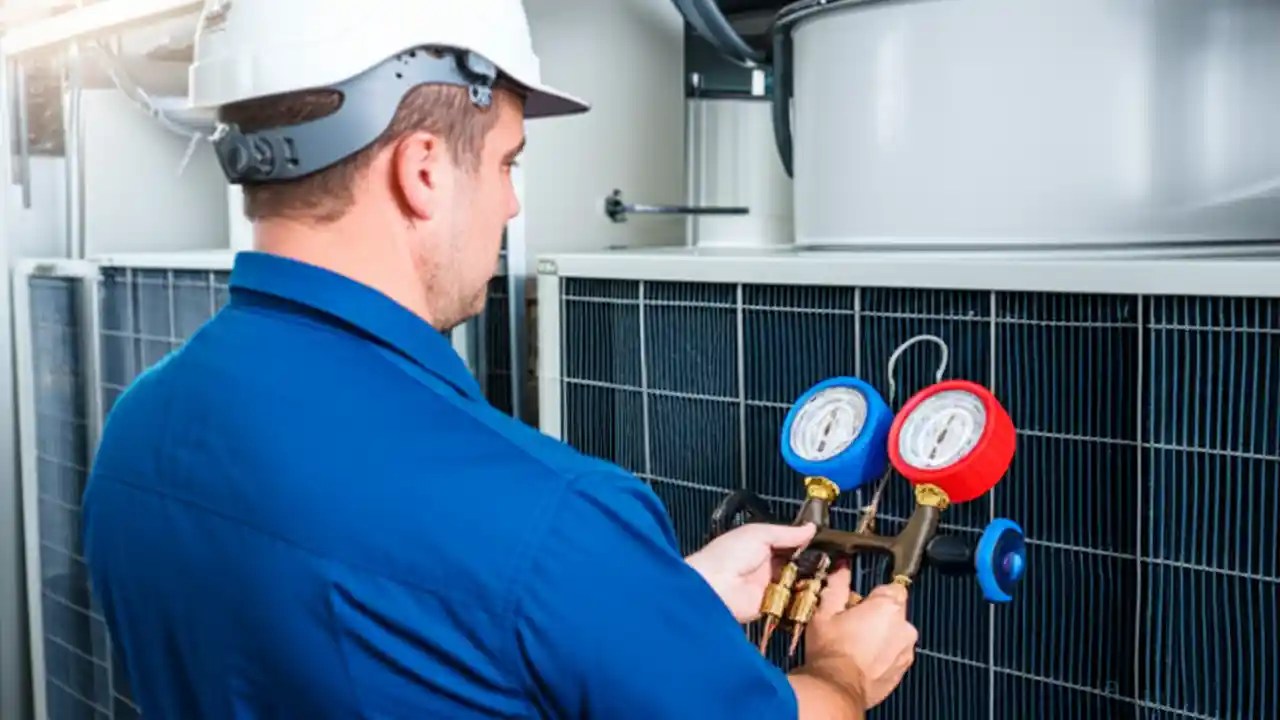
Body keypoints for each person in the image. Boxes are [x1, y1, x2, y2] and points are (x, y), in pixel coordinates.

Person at [80, 0, 918, 717]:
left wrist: (649, 601)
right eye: (509, 161)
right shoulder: (555, 519)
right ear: (424, 170)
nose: (514, 202)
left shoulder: (139, 429)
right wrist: (843, 670)